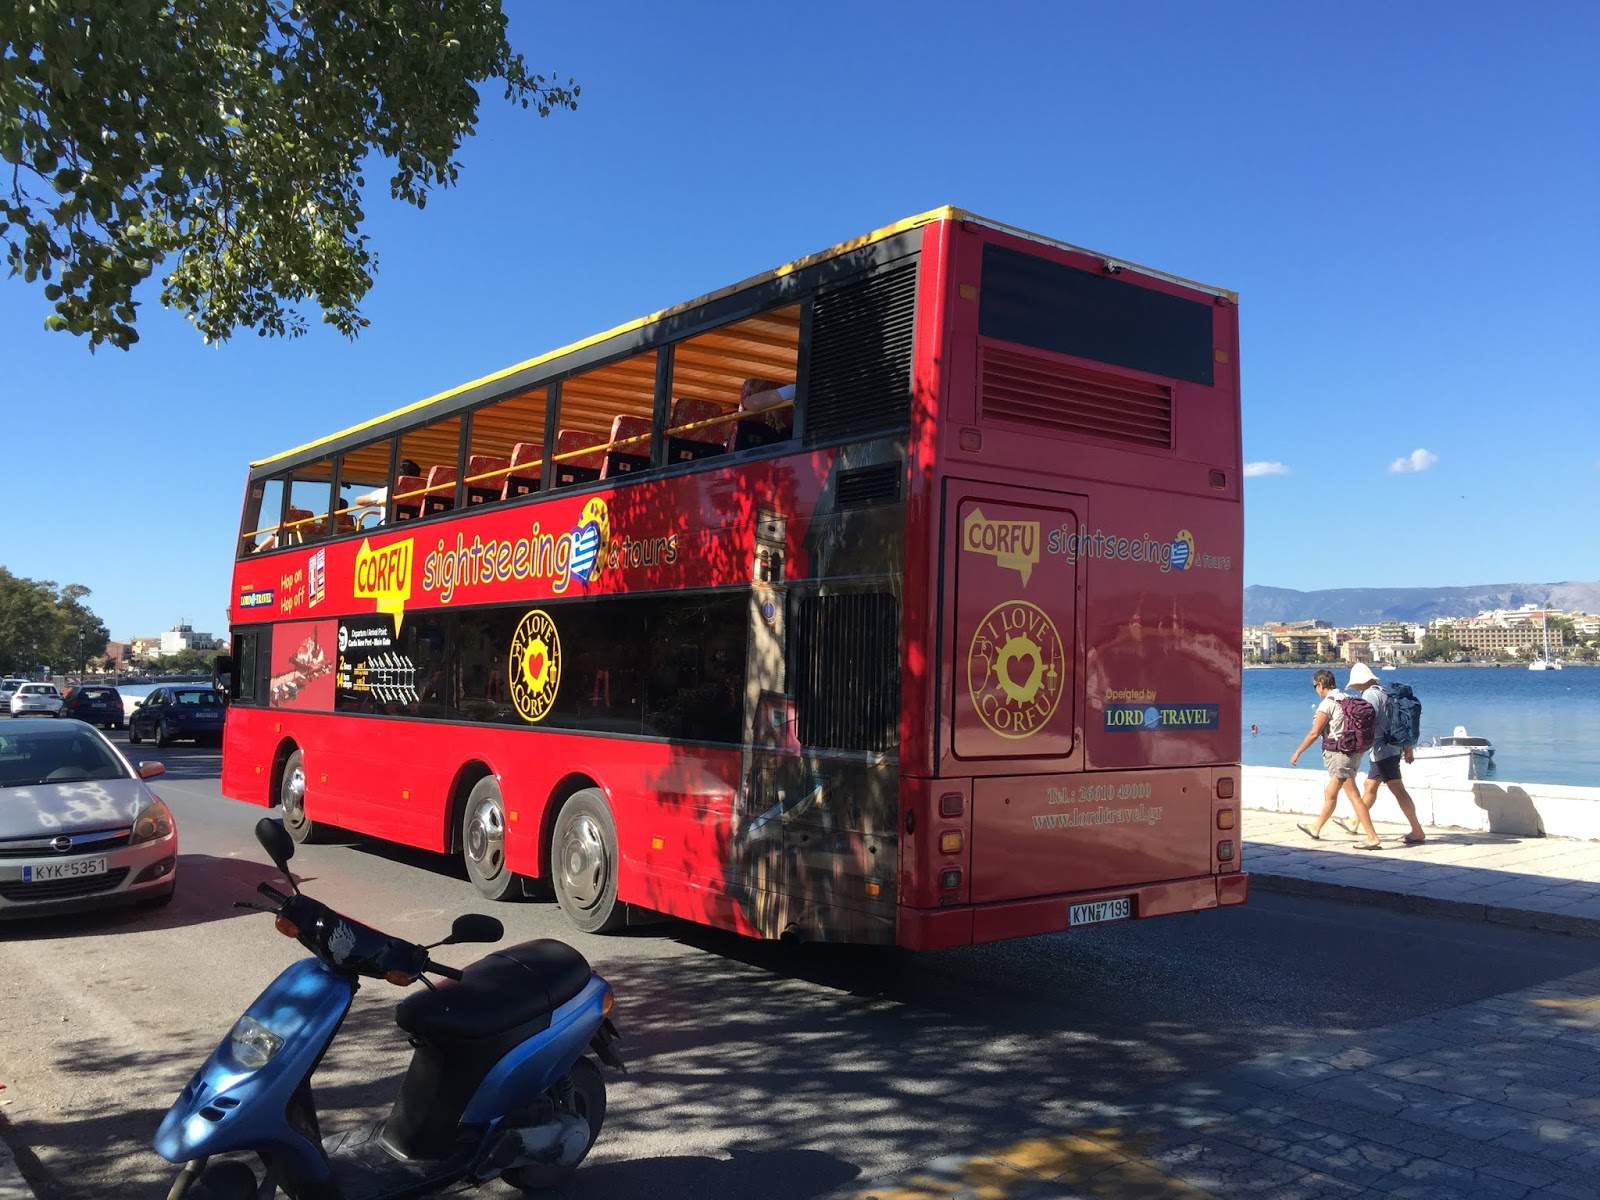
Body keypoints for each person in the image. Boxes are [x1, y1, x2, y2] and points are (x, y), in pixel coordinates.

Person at [1290, 668, 1383, 849]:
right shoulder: (1347, 698)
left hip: (1340, 754)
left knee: (1353, 795)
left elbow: (1314, 733)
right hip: (1354, 752)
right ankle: (1316, 828)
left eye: (1315, 686)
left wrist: (1298, 752)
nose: (1315, 690)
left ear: (1321, 684)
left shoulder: (1327, 704)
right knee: (1330, 793)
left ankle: (1372, 837)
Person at [1346, 662, 1427, 845]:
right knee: (1370, 786)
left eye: (1355, 684)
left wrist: (1356, 746)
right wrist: (1408, 747)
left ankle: (1417, 831)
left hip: (1383, 750)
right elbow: (1400, 722)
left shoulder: (1369, 694)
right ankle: (1355, 822)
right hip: (1392, 747)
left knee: (1398, 789)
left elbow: (1366, 723)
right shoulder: (1385, 692)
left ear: (1361, 681)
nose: (1355, 688)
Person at [352, 459, 422, 518]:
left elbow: (359, 500)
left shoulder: (389, 491)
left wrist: (377, 503)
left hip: (390, 527)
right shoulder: (422, 493)